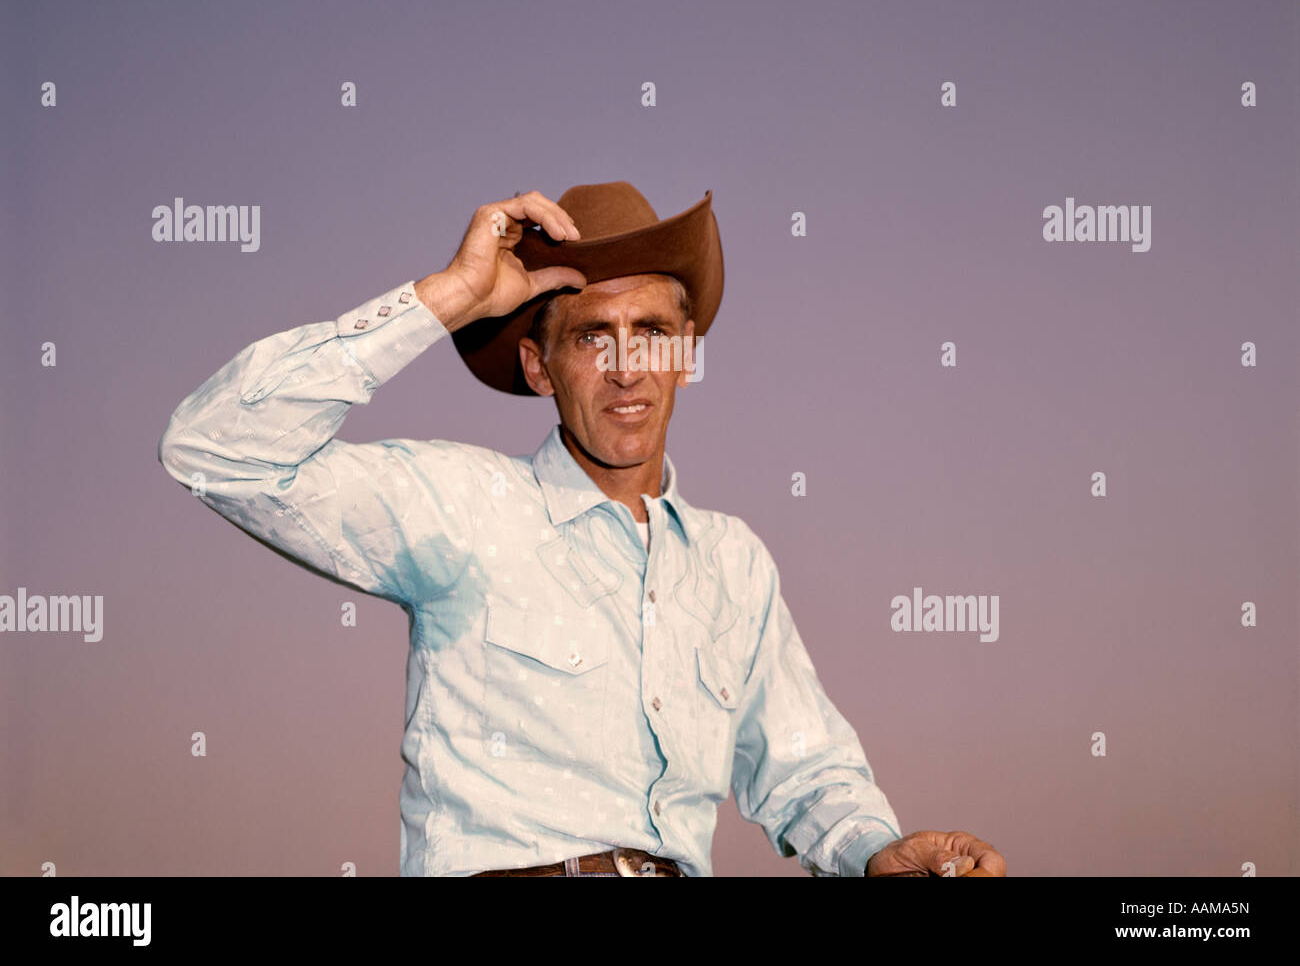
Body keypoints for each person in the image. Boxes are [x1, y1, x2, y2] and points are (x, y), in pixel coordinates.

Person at [158, 181, 1006, 879]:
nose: (628, 366)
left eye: (652, 334)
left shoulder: (733, 563)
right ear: (539, 367)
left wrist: (875, 850)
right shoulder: (465, 505)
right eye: (592, 336)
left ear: (684, 355)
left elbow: (805, 770)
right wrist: (449, 297)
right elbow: (215, 449)